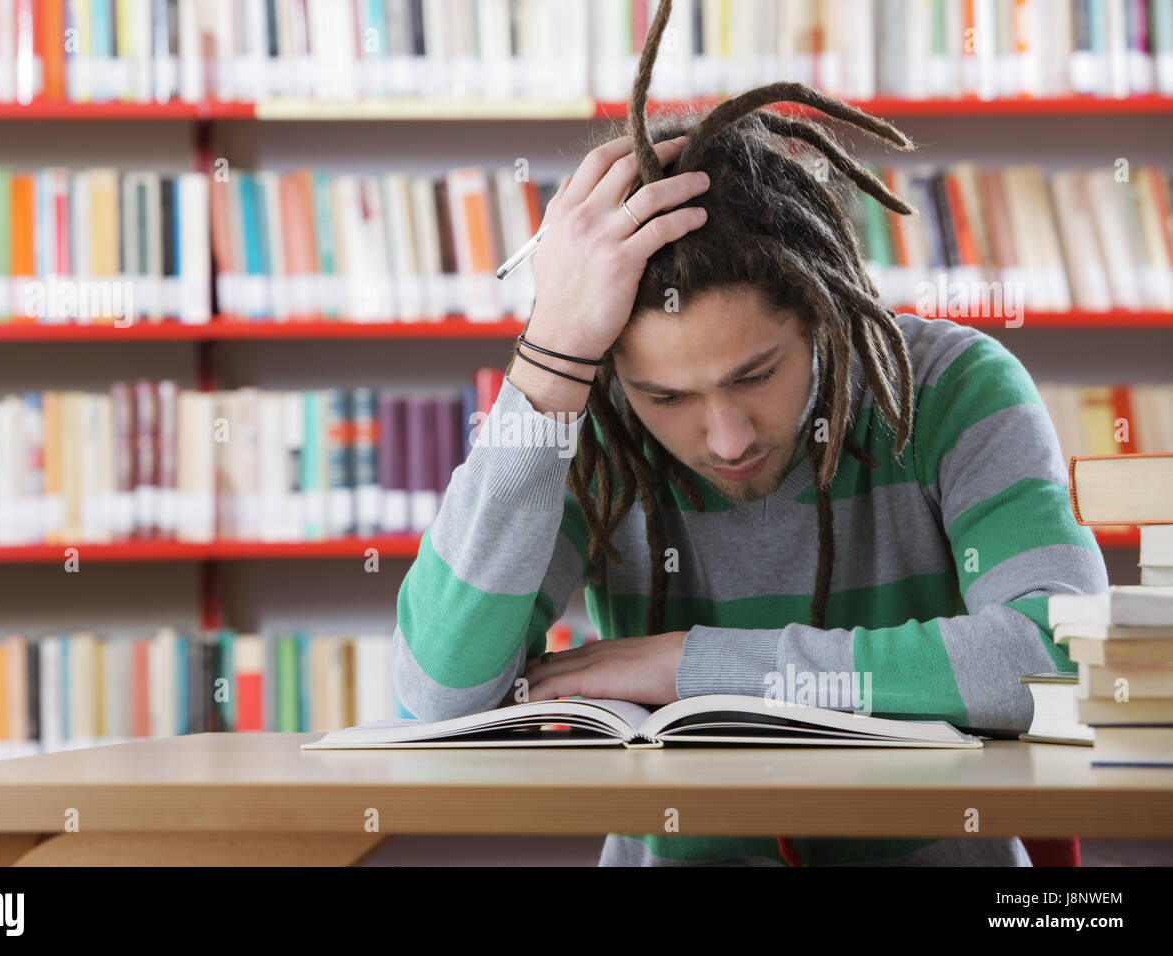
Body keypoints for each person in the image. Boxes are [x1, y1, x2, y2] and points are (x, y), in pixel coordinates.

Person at [390, 2, 1109, 866]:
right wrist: (549, 363)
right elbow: (436, 698)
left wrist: (695, 668)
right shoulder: (584, 424)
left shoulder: (954, 386)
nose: (726, 438)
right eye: (667, 396)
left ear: (823, 314)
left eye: (756, 375)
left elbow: (1057, 659)